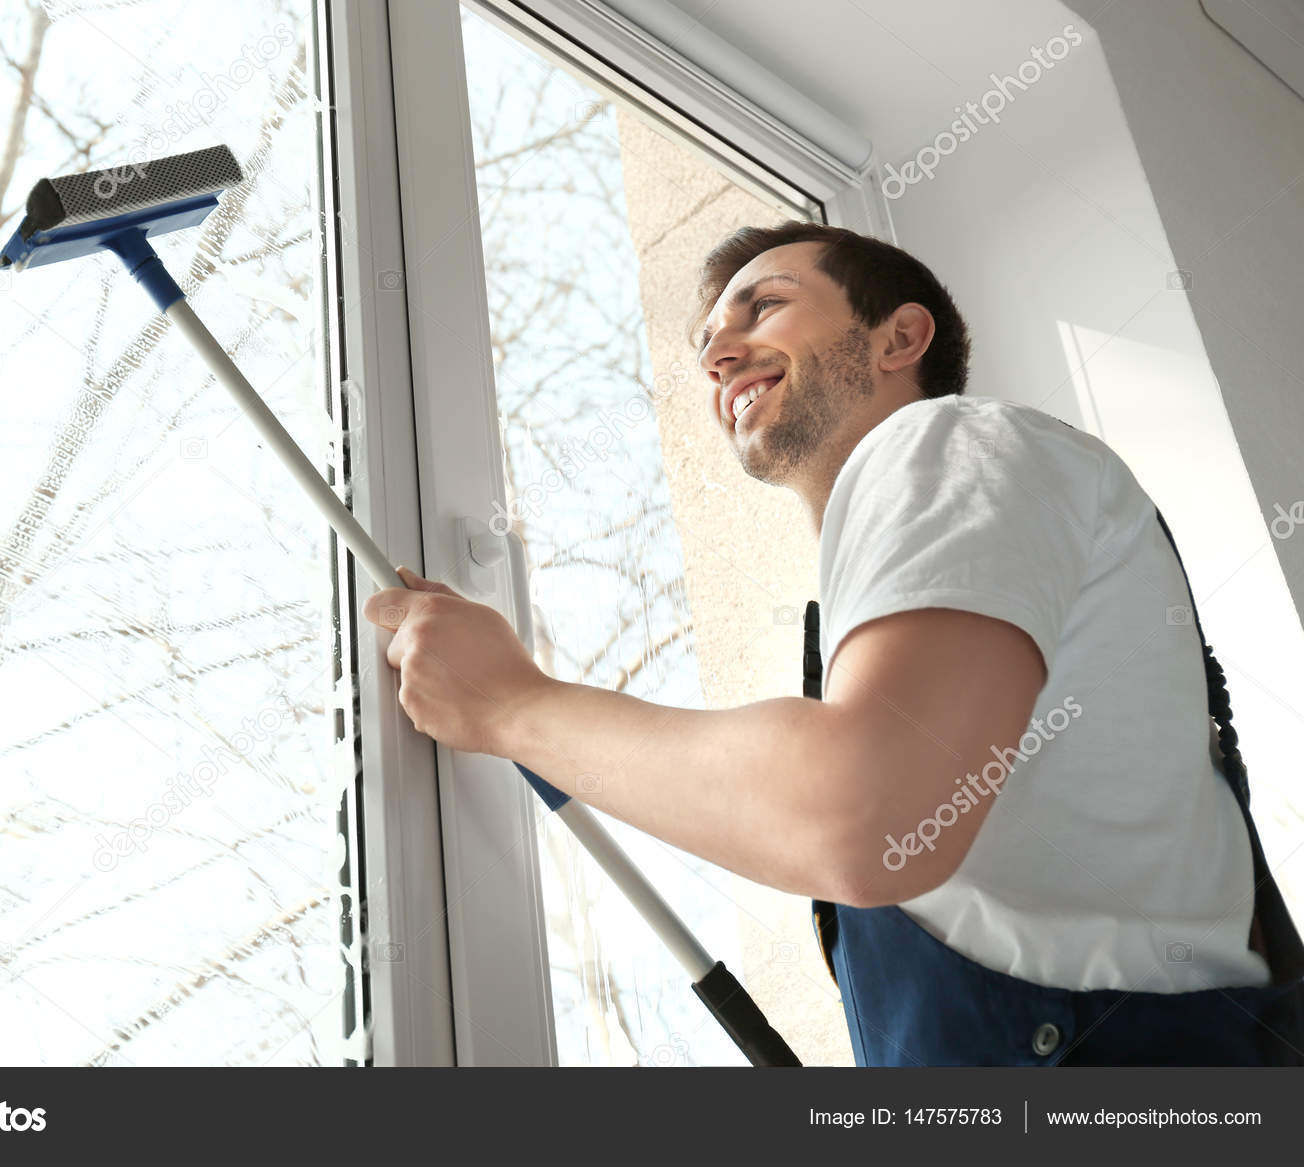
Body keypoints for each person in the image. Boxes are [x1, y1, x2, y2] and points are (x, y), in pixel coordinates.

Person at [360, 222, 1304, 1066]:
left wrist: (512, 704)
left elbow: (865, 808)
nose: (717, 355)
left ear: (900, 338)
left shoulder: (947, 440)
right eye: (707, 344)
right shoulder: (889, 604)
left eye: (763, 306)